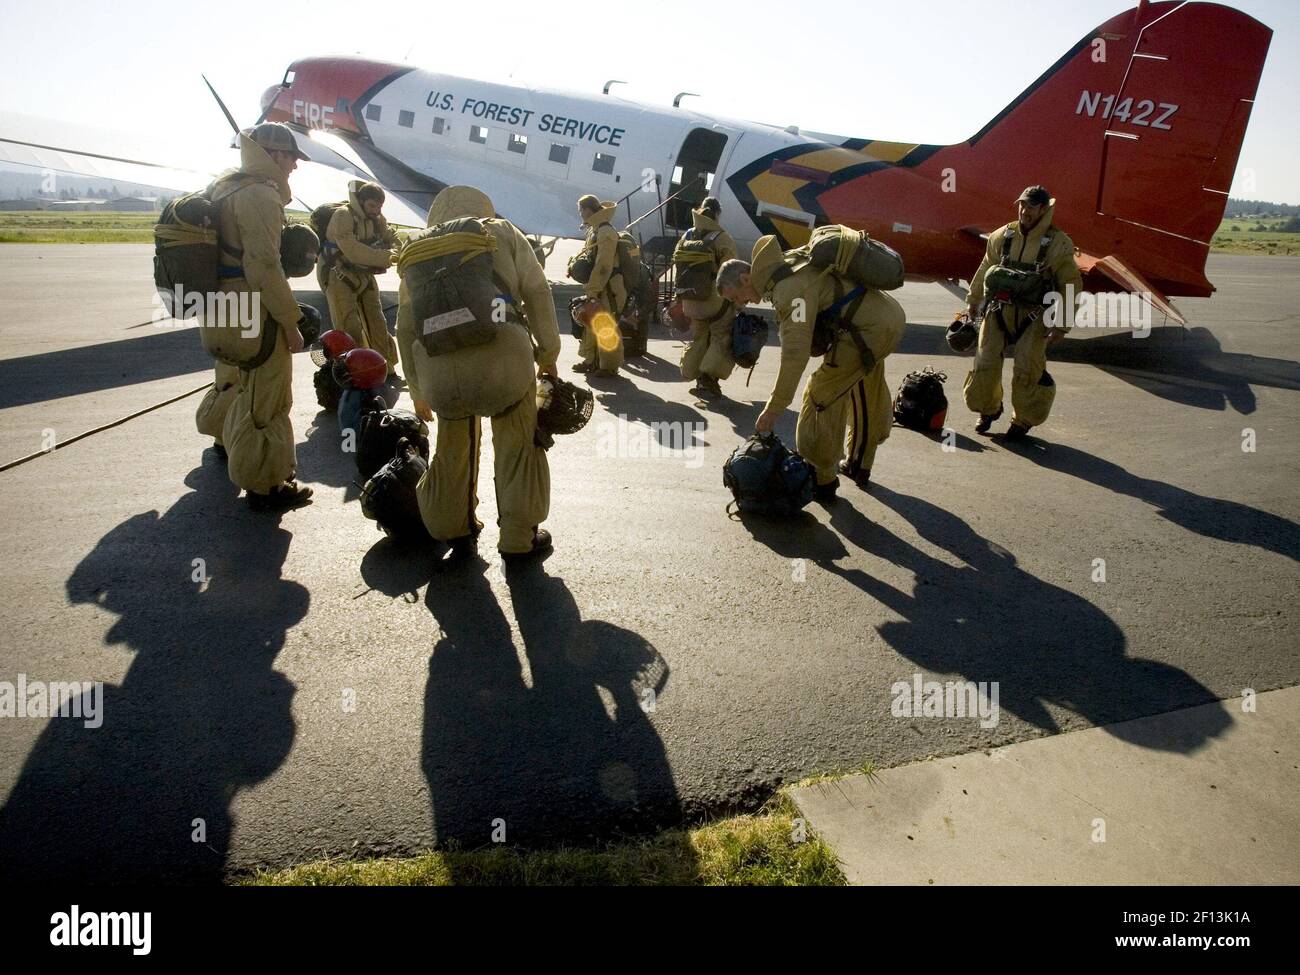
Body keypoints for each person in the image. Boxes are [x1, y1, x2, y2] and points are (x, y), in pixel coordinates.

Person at [395, 186, 562, 562]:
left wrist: (418, 389)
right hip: (503, 355)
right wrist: (548, 353)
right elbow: (536, 290)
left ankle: (453, 527)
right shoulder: (500, 231)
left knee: (452, 450)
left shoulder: (417, 249)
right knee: (517, 449)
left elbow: (406, 327)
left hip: (440, 368)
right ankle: (518, 540)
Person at [717, 233, 905, 500]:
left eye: (736, 296)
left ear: (746, 278)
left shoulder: (789, 289)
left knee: (820, 397)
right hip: (884, 320)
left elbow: (795, 353)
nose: (740, 303)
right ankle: (859, 464)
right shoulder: (788, 265)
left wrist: (774, 408)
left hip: (868, 331)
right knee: (861, 390)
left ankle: (822, 478)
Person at [210, 122, 314, 511]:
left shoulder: (226, 187)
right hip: (253, 310)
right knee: (268, 399)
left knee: (244, 389)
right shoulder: (260, 195)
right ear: (274, 155)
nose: (294, 167)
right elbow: (265, 267)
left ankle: (233, 452)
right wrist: (290, 322)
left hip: (223, 307)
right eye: (291, 158)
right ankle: (265, 486)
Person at [963, 185, 1082, 439]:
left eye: (1030, 206)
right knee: (985, 361)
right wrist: (974, 299)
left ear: (1043, 209)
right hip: (998, 311)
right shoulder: (1002, 235)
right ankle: (988, 410)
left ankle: (1023, 420)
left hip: (1035, 316)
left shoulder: (1059, 244)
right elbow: (987, 265)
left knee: (1028, 367)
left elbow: (1070, 284)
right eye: (1022, 205)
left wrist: (1062, 324)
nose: (1024, 210)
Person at [323, 180, 402, 383]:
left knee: (377, 320)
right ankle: (353, 372)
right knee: (348, 325)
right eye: (372, 206)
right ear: (361, 202)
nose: (376, 210)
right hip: (337, 274)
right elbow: (353, 250)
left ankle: (385, 366)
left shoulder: (375, 218)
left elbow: (390, 234)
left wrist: (397, 248)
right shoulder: (343, 216)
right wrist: (388, 257)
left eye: (379, 206)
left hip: (362, 274)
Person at [676, 197, 737, 400]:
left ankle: (691, 372)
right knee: (721, 337)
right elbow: (731, 271)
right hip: (714, 299)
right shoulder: (722, 238)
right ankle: (707, 378)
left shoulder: (687, 236)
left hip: (691, 299)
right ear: (717, 214)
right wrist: (736, 301)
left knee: (699, 337)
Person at [572, 194, 625, 376]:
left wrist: (593, 289)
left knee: (605, 326)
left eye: (581, 210)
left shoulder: (605, 232)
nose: (580, 214)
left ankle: (609, 366)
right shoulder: (596, 230)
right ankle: (591, 361)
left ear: (588, 210)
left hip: (608, 288)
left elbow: (604, 265)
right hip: (598, 286)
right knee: (591, 322)